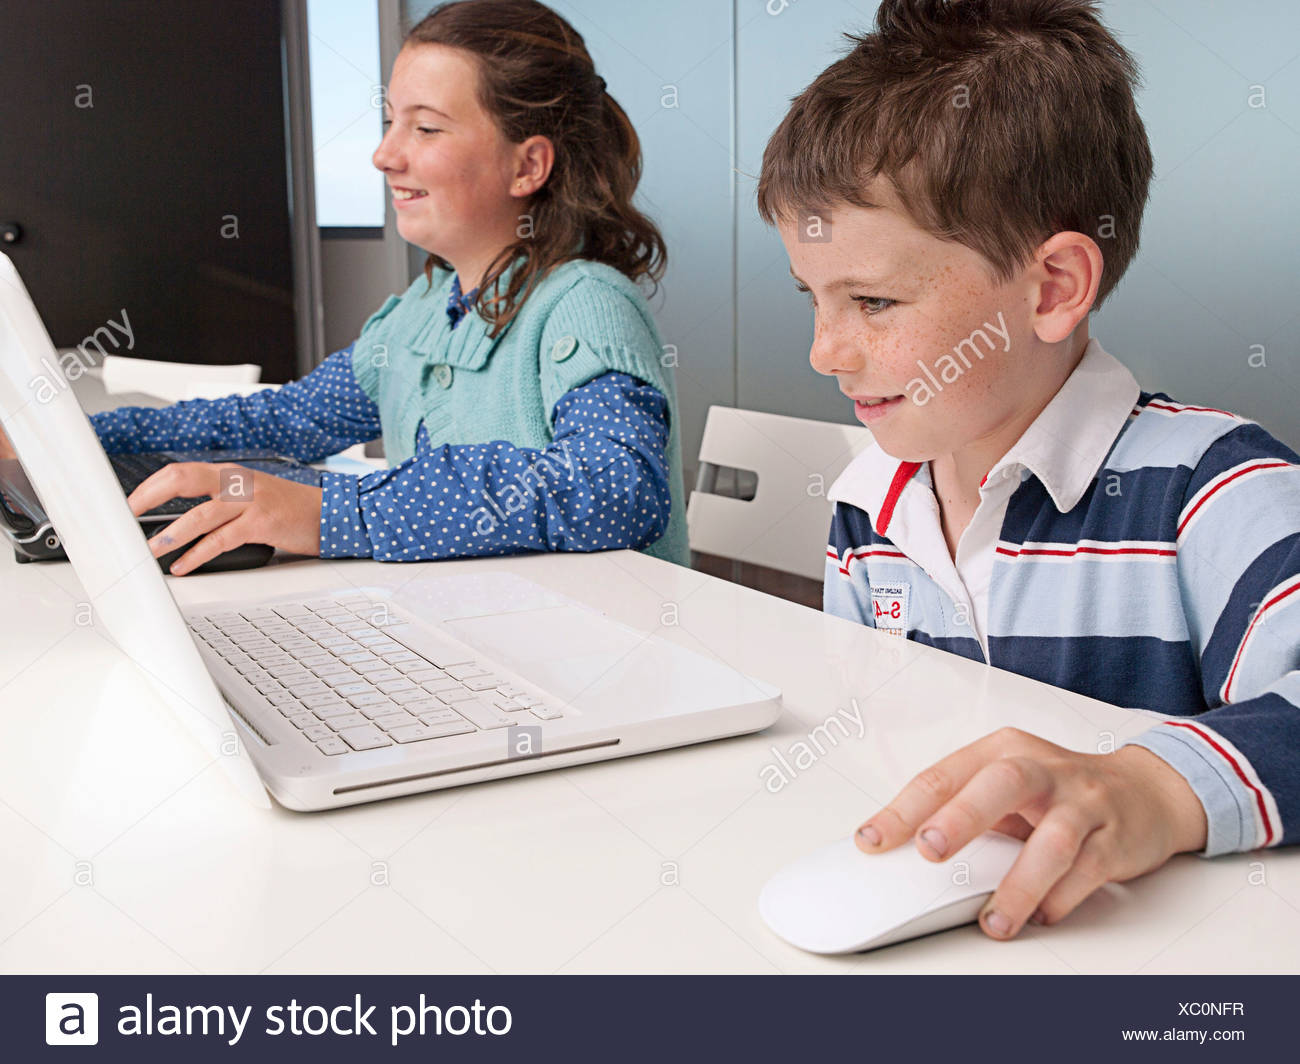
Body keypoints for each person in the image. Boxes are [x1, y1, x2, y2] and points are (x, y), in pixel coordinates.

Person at [757, 0, 1298, 941]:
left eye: (873, 300)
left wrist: (1149, 788)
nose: (825, 352)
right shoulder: (866, 512)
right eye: (814, 298)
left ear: (1051, 288)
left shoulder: (1213, 490)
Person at [4, 0, 687, 575]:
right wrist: (65, 439)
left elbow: (616, 489)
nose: (385, 154)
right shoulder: (423, 312)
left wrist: (334, 512)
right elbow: (281, 420)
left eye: (425, 127)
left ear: (528, 164)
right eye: (390, 121)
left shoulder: (586, 304)